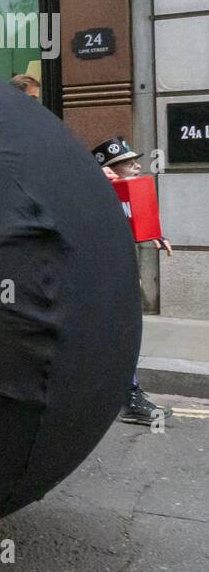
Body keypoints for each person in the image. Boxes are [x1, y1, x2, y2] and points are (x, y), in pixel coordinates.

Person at [92, 136, 171, 427]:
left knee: (120, 338)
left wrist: (156, 235)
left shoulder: (125, 196)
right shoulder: (95, 196)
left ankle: (125, 396)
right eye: (126, 163)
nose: (136, 165)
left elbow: (138, 219)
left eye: (134, 160)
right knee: (121, 338)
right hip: (103, 284)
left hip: (120, 282)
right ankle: (130, 397)